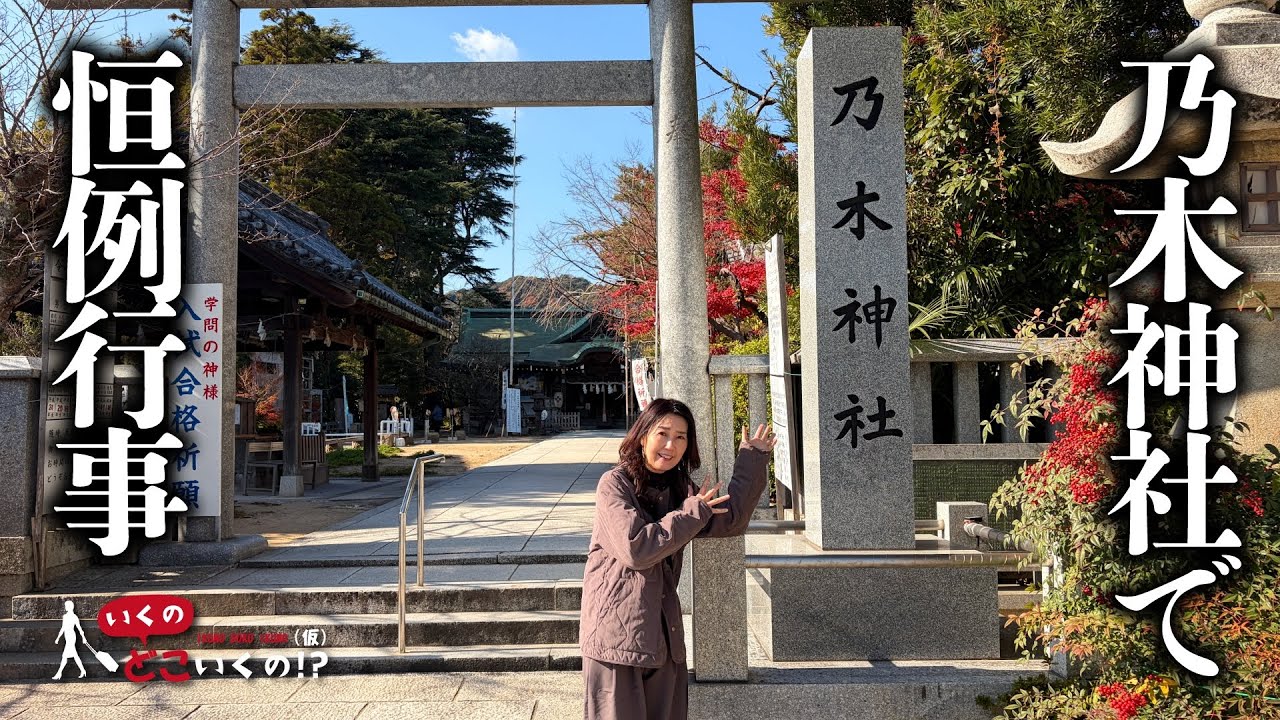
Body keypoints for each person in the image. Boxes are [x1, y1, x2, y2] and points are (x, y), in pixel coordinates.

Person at [579, 397, 776, 720]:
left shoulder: (680, 489)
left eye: (681, 437)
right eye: (663, 434)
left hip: (664, 640)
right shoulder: (614, 484)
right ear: (643, 436)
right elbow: (636, 549)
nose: (670, 445)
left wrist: (752, 460)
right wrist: (690, 513)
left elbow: (729, 521)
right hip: (616, 642)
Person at [52, 600, 88, 680]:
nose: (65, 608)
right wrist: (58, 638)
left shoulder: (74, 617)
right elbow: (63, 628)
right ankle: (83, 671)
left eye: (66, 606)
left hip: (71, 637)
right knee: (75, 655)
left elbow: (79, 628)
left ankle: (59, 673)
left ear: (69, 607)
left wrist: (84, 638)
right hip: (67, 636)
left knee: (65, 656)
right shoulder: (65, 616)